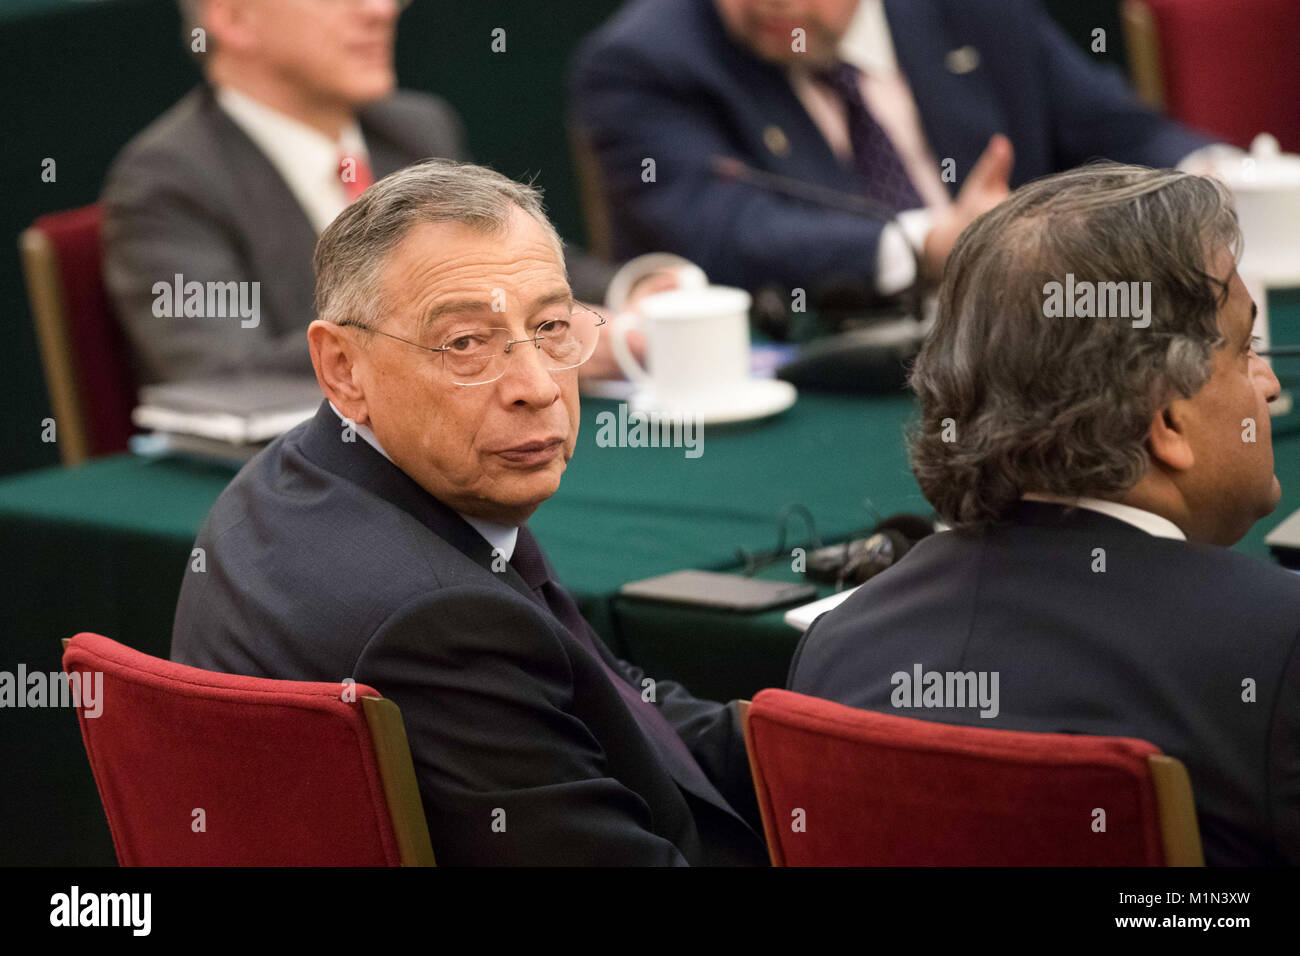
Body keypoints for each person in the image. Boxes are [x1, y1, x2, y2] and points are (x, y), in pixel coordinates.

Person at [171, 159, 769, 866]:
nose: (537, 386)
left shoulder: (287, 477)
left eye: (550, 326)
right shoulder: (437, 622)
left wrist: (836, 747)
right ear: (342, 368)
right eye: (464, 344)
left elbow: (629, 712)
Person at [788, 162, 1300, 866]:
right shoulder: (1279, 650)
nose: (1269, 386)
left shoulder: (839, 649)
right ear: (1169, 420)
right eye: (1245, 351)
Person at [102, 0, 649, 385]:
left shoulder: (414, 128)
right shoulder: (170, 179)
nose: (381, 9)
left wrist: (641, 291)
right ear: (233, 17)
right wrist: (485, 340)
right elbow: (224, 373)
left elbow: (510, 261)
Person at [571, 0, 1222, 308]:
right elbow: (721, 231)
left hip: (1045, 327)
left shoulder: (973, 14)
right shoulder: (647, 61)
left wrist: (1229, 178)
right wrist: (928, 246)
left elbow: (1126, 134)